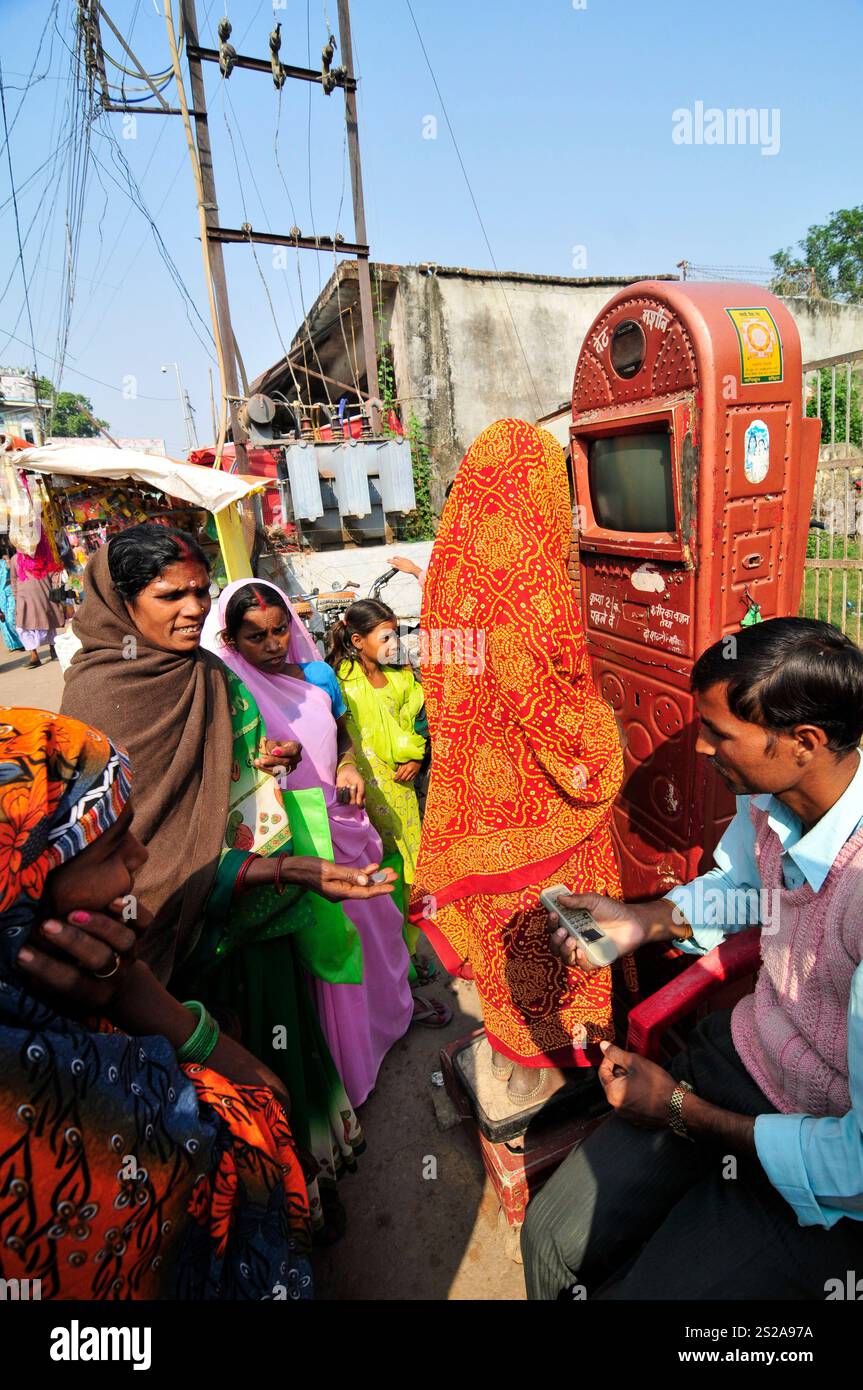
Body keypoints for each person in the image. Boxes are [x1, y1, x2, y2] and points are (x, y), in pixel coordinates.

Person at [61, 524, 398, 1232]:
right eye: (168, 594)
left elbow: (236, 780)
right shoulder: (96, 696)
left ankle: (303, 1188)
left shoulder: (213, 675)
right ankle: (243, 1217)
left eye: (198, 592)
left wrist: (261, 764)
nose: (190, 608)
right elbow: (98, 842)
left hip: (256, 909)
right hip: (161, 941)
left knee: (278, 1059)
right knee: (200, 1096)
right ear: (121, 602)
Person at [521, 617, 863, 1300]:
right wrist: (639, 921)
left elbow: (854, 1165)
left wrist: (676, 1109)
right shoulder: (771, 798)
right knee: (548, 1239)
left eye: (718, 733)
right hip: (742, 1062)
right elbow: (744, 890)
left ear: (804, 743)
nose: (701, 747)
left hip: (829, 1163)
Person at [0, 706, 313, 1300]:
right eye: (113, 847)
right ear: (20, 895)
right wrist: (139, 994)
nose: (142, 859)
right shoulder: (53, 1101)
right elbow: (263, 1114)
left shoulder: (47, 1012)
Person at [410, 418, 634, 1108]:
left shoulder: (446, 579)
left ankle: (511, 1064)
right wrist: (607, 742)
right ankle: (551, 1071)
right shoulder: (524, 588)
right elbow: (553, 715)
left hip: (472, 806)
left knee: (500, 941)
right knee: (551, 943)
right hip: (538, 810)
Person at [201, 577, 435, 1105]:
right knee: (334, 950)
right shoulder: (229, 693)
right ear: (231, 640)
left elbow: (342, 730)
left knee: (378, 927)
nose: (272, 645)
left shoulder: (319, 676)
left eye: (280, 630)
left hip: (346, 819)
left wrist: (349, 763)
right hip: (296, 839)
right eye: (255, 636)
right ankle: (351, 1061)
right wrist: (259, 766)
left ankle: (391, 1020)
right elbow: (220, 774)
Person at [327, 598, 447, 1007]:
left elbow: (418, 719)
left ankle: (409, 953)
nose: (395, 642)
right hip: (364, 799)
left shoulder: (400, 677)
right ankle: (393, 965)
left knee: (407, 874)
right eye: (386, 636)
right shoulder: (340, 682)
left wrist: (417, 753)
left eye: (396, 633)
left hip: (401, 794)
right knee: (376, 878)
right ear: (357, 640)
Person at [10, 516, 65, 667]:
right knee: (23, 627)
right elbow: (14, 580)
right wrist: (17, 597)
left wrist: (56, 587)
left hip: (43, 595)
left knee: (48, 623)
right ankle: (34, 655)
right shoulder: (15, 559)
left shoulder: (43, 556)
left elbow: (53, 574)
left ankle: (53, 648)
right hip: (24, 600)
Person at [0, 539, 22, 650]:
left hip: (9, 591)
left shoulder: (5, 561)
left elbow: (14, 573)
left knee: (11, 618)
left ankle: (22, 641)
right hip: (1, 595)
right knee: (3, 622)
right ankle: (13, 644)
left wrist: (8, 561)